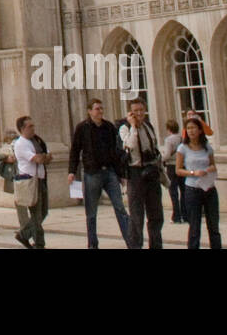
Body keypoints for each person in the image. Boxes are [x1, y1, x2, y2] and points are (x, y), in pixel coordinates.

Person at [67, 98, 130, 249]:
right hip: (92, 173)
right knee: (91, 212)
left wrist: (121, 173)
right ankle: (93, 244)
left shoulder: (108, 127)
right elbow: (75, 150)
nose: (100, 111)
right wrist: (71, 171)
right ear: (89, 111)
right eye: (97, 109)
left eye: (101, 108)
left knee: (120, 207)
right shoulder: (83, 128)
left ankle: (131, 240)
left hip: (109, 171)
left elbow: (116, 151)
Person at [119, 98, 163, 249]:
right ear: (130, 113)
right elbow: (129, 145)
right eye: (135, 111)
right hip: (135, 173)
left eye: (141, 110)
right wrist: (133, 126)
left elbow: (155, 148)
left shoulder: (148, 126)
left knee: (156, 215)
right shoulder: (125, 128)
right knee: (137, 216)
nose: (139, 113)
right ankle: (135, 246)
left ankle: (156, 245)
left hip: (151, 172)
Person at [176, 117, 221, 249]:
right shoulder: (182, 148)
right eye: (188, 128)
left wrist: (209, 170)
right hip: (192, 189)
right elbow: (178, 170)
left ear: (200, 130)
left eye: (193, 128)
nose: (191, 131)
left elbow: (213, 165)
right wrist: (193, 173)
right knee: (194, 227)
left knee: (213, 226)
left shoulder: (207, 147)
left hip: (208, 187)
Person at [13, 116, 51, 249]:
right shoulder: (21, 143)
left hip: (41, 179)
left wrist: (44, 157)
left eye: (33, 125)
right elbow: (38, 159)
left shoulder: (36, 141)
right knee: (36, 214)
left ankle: (23, 234)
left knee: (44, 211)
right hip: (30, 181)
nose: (33, 128)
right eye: (30, 126)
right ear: (22, 129)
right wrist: (43, 158)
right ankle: (39, 244)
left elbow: (47, 156)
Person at [161, 118, 182, 223]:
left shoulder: (169, 140)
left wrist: (160, 159)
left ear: (168, 129)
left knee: (173, 192)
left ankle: (176, 215)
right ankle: (185, 213)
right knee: (183, 190)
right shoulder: (181, 138)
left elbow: (167, 155)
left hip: (172, 167)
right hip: (182, 165)